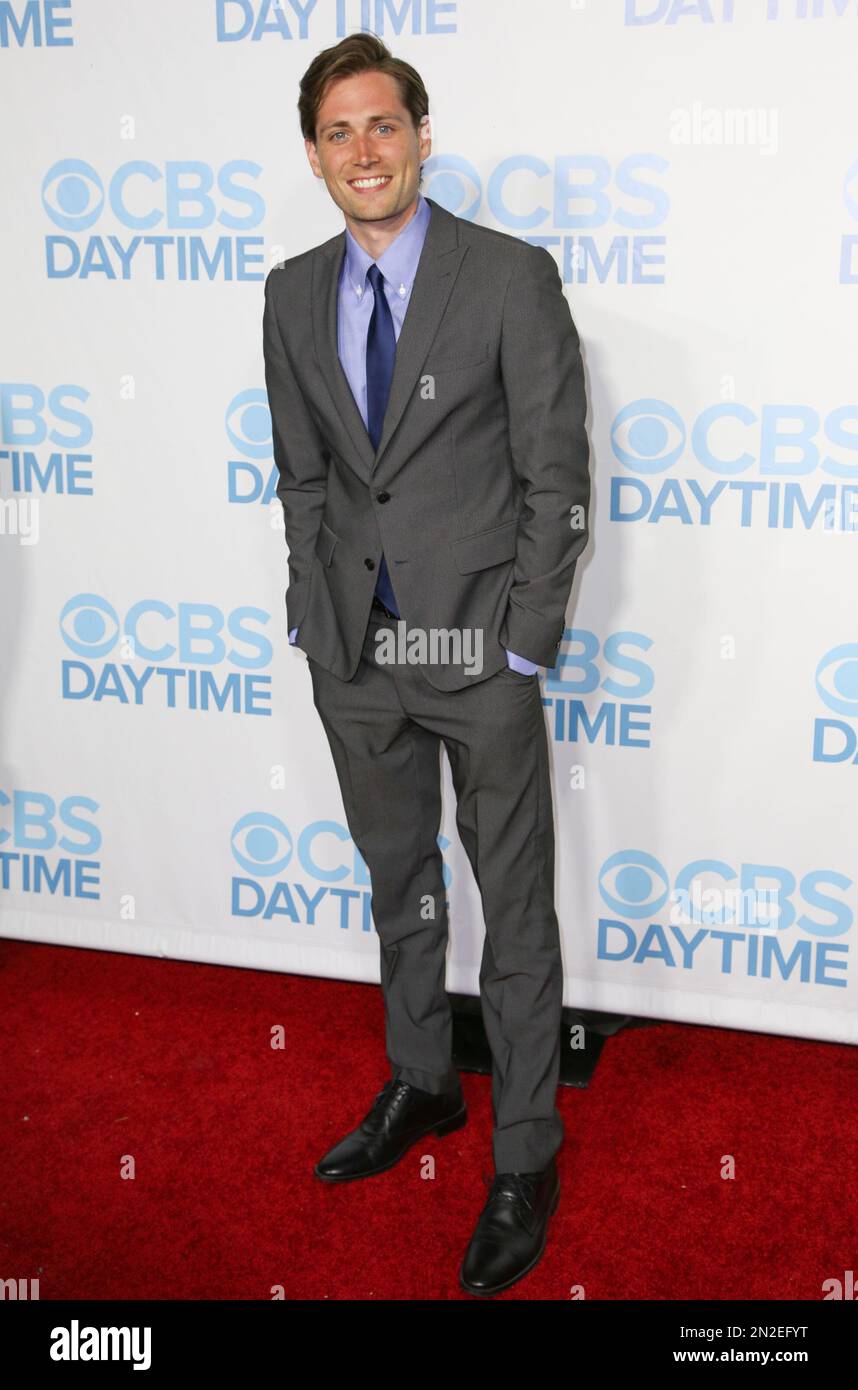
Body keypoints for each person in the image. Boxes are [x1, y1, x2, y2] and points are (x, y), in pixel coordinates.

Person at [262, 31, 590, 1297]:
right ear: (313, 155)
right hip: (358, 655)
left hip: (478, 653)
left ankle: (525, 1151)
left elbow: (557, 475)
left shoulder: (506, 275)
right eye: (338, 131)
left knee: (514, 910)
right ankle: (422, 1081)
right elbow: (303, 477)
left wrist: (522, 640)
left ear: (422, 135)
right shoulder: (293, 291)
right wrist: (315, 613)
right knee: (399, 881)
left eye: (383, 124)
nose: (364, 150)